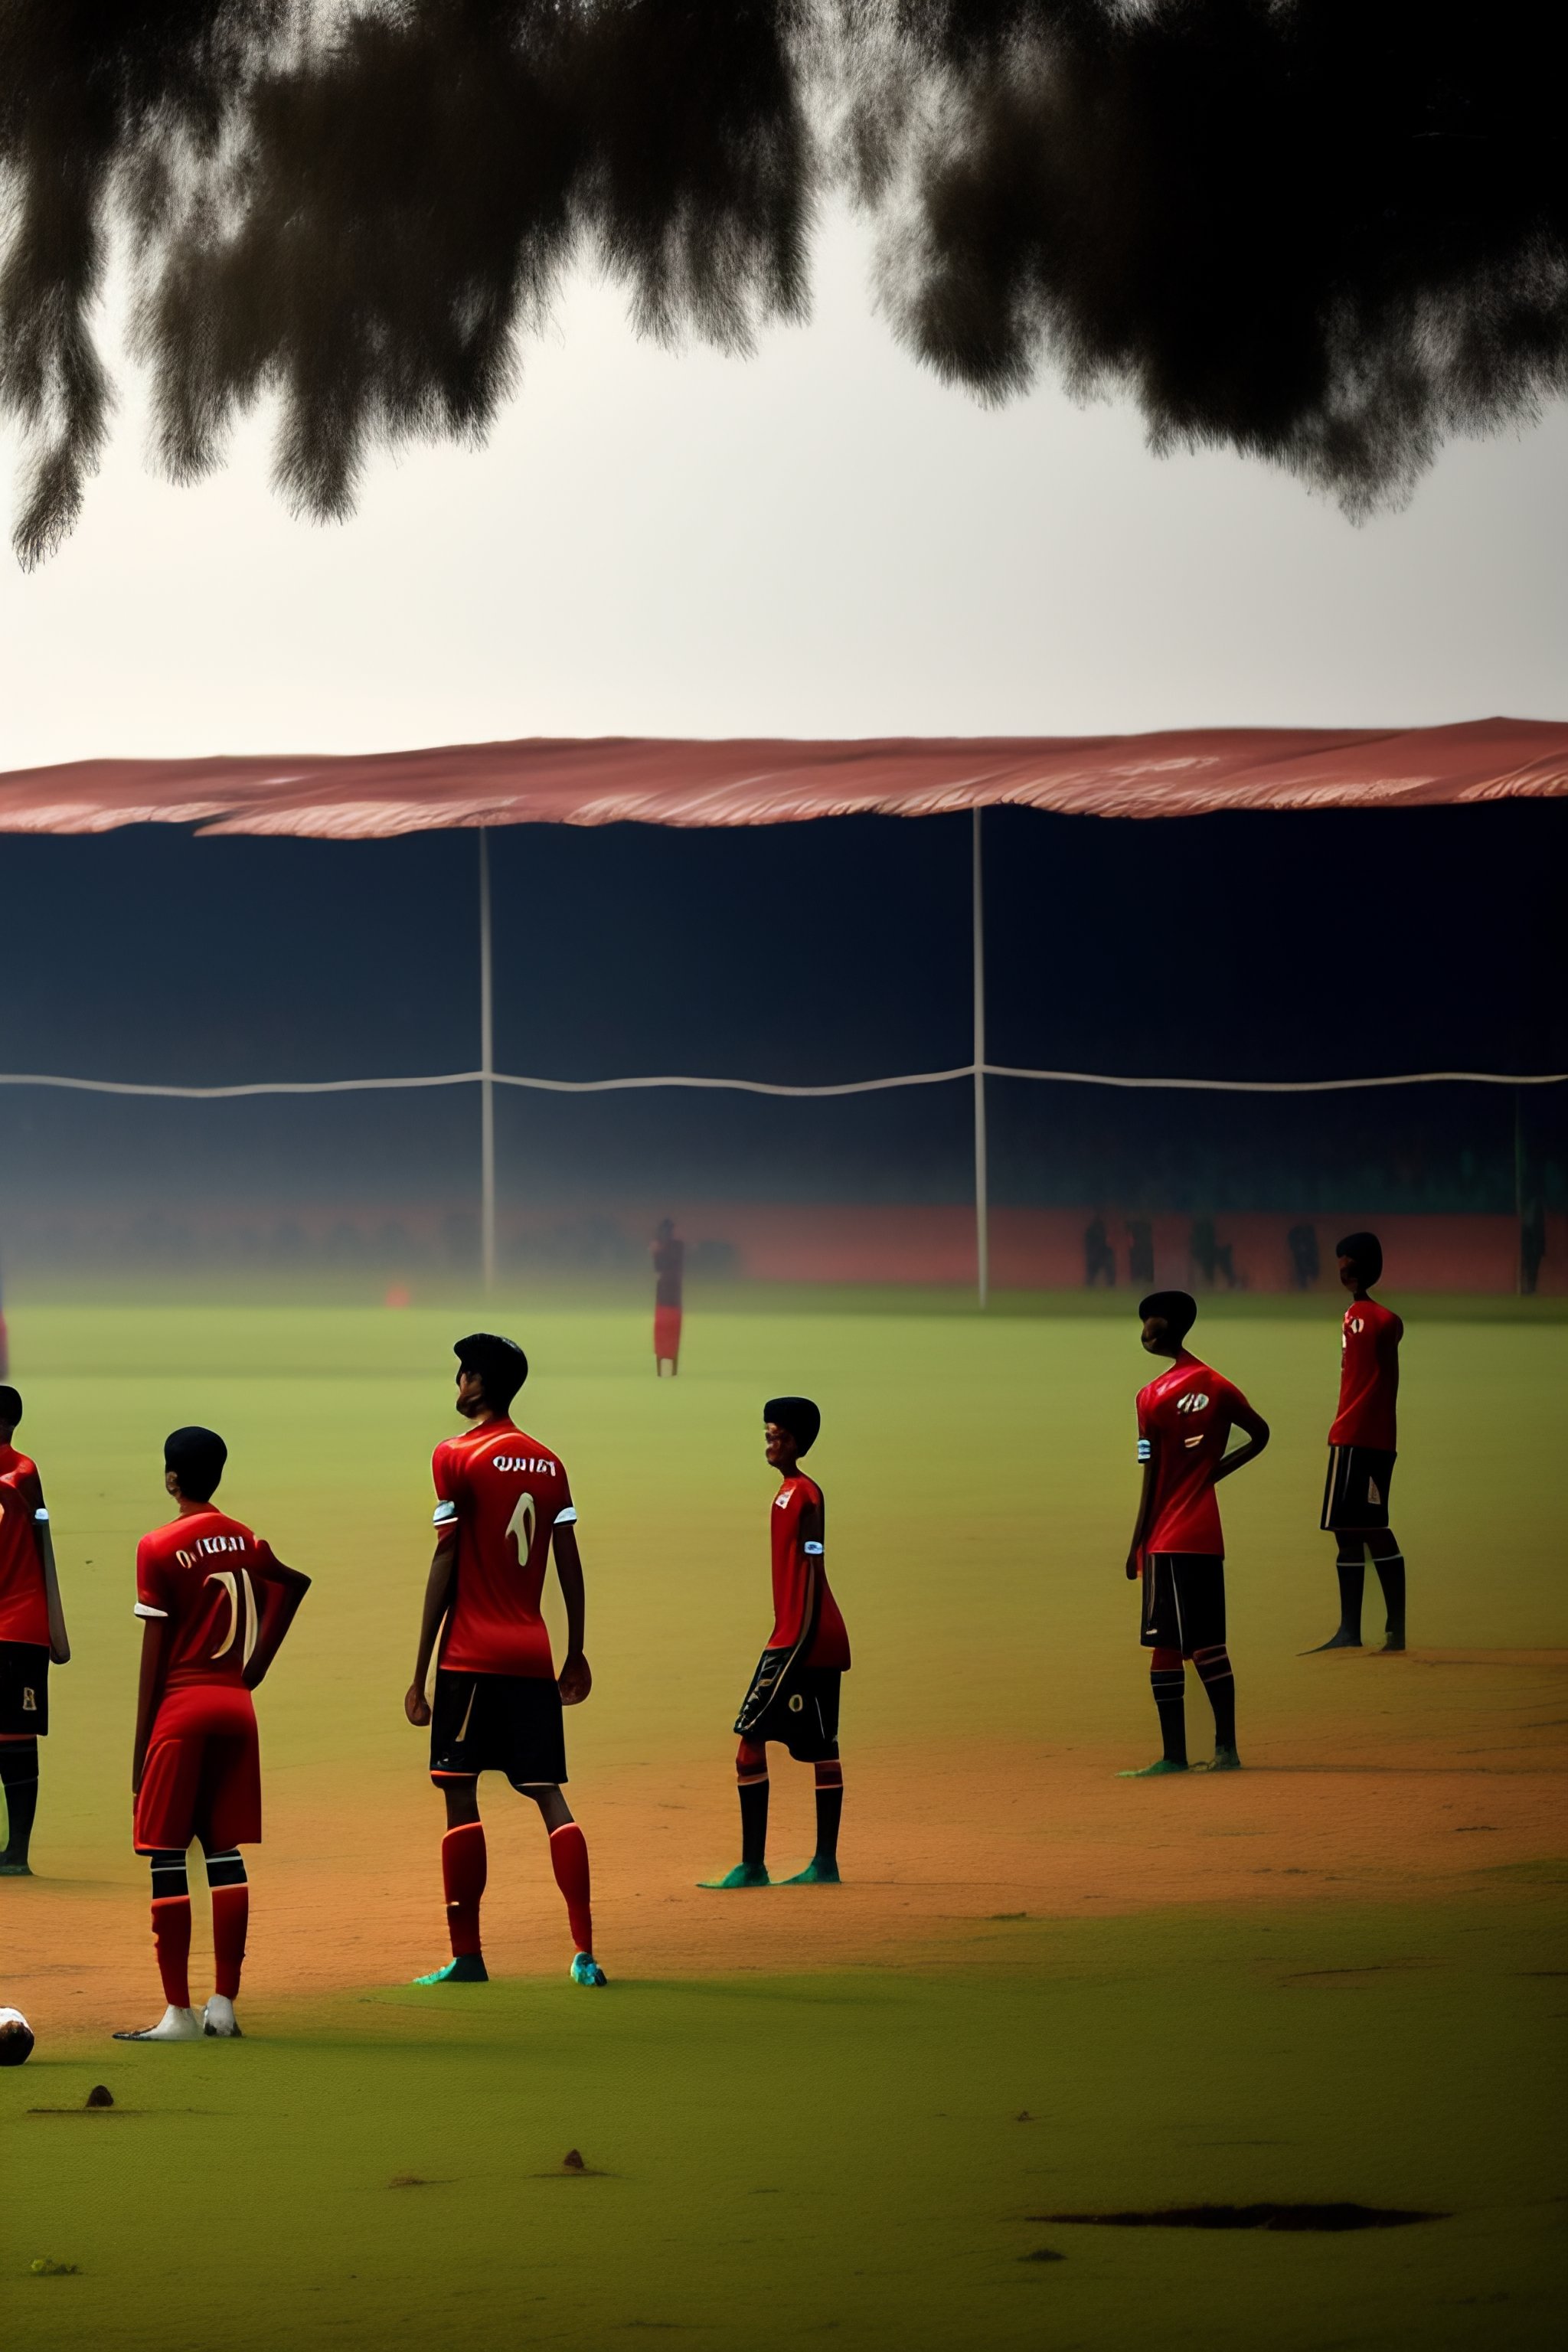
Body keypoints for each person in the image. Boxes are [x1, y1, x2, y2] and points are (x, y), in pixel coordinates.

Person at [405, 1333, 606, 1988]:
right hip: (531, 1652)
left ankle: (467, 1956)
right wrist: (575, 1649)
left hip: (469, 1655)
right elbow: (569, 1562)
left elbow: (446, 1559)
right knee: (548, 1793)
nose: (457, 1383)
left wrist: (419, 1670)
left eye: (463, 1373)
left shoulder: (454, 1456)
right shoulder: (550, 1464)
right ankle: (585, 1950)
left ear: (481, 1383)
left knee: (459, 1791)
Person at [116, 1427, 310, 2042]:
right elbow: (293, 1584)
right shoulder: (246, 1538)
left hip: (182, 1711)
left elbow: (153, 1660)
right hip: (236, 1709)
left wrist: (141, 1753)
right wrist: (254, 1670)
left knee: (166, 1855)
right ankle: (223, 2003)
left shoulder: (157, 1546)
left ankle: (176, 2013)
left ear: (171, 1479)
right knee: (224, 1852)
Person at [702, 1396, 848, 1888]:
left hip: (806, 1638)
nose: (771, 1444)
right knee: (814, 1746)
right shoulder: (786, 1492)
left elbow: (812, 1568)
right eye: (768, 1435)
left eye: (780, 1437)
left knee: (756, 1740)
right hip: (799, 1635)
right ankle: (799, 1864)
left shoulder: (807, 1495)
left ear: (799, 1442)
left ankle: (777, 1866)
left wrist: (795, 1645)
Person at [1122, 1292, 1269, 1775]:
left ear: (1164, 1327)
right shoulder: (1218, 1384)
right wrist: (1213, 1473)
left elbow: (1148, 1471)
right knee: (1208, 1644)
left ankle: (1174, 1756)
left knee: (1166, 1646)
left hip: (1166, 1536)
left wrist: (1136, 1540)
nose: (1145, 1330)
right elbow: (1261, 1435)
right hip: (1206, 1534)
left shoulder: (1149, 1397)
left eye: (1149, 1322)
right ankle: (1225, 1749)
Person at [1308, 1232, 1406, 1653]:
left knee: (1355, 1529)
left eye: (1346, 1263)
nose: (1342, 1270)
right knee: (1363, 1528)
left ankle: (1353, 1630)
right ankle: (1390, 1629)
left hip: (1353, 1436)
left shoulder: (1358, 1317)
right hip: (1380, 1438)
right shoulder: (1387, 1320)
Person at [0, 1386, 70, 1877]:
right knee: (16, 1739)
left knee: (15, 1738)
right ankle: (16, 1853)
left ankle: (16, 1854)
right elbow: (42, 1537)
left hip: (18, 1623)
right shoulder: (26, 1472)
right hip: (23, 1624)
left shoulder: (20, 1474)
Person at [652, 1217, 684, 1375]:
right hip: (668, 1296)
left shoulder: (675, 1247)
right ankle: (667, 1367)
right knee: (666, 1331)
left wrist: (658, 1252)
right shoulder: (674, 1247)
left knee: (667, 1331)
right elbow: (659, 1267)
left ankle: (667, 1367)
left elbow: (663, 1266)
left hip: (669, 1295)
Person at [1083, 1215, 1116, 1287]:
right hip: (1097, 1254)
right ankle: (1109, 1284)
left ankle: (1091, 1285)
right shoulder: (1097, 1231)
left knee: (1093, 1272)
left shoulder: (1093, 1231)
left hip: (1097, 1254)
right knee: (1093, 1272)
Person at [1287, 1221, 1320, 1291]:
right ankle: (1303, 1285)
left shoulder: (1309, 1243)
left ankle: (1305, 1284)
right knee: (1302, 1271)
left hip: (1307, 1255)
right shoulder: (1298, 1241)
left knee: (1308, 1270)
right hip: (1302, 1256)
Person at [1126, 1218, 1155, 1289]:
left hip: (1142, 1251)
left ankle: (1144, 1285)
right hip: (1142, 1250)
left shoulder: (1138, 1228)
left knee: (1144, 1271)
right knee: (1141, 1271)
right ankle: (1141, 1285)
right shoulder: (1143, 1227)